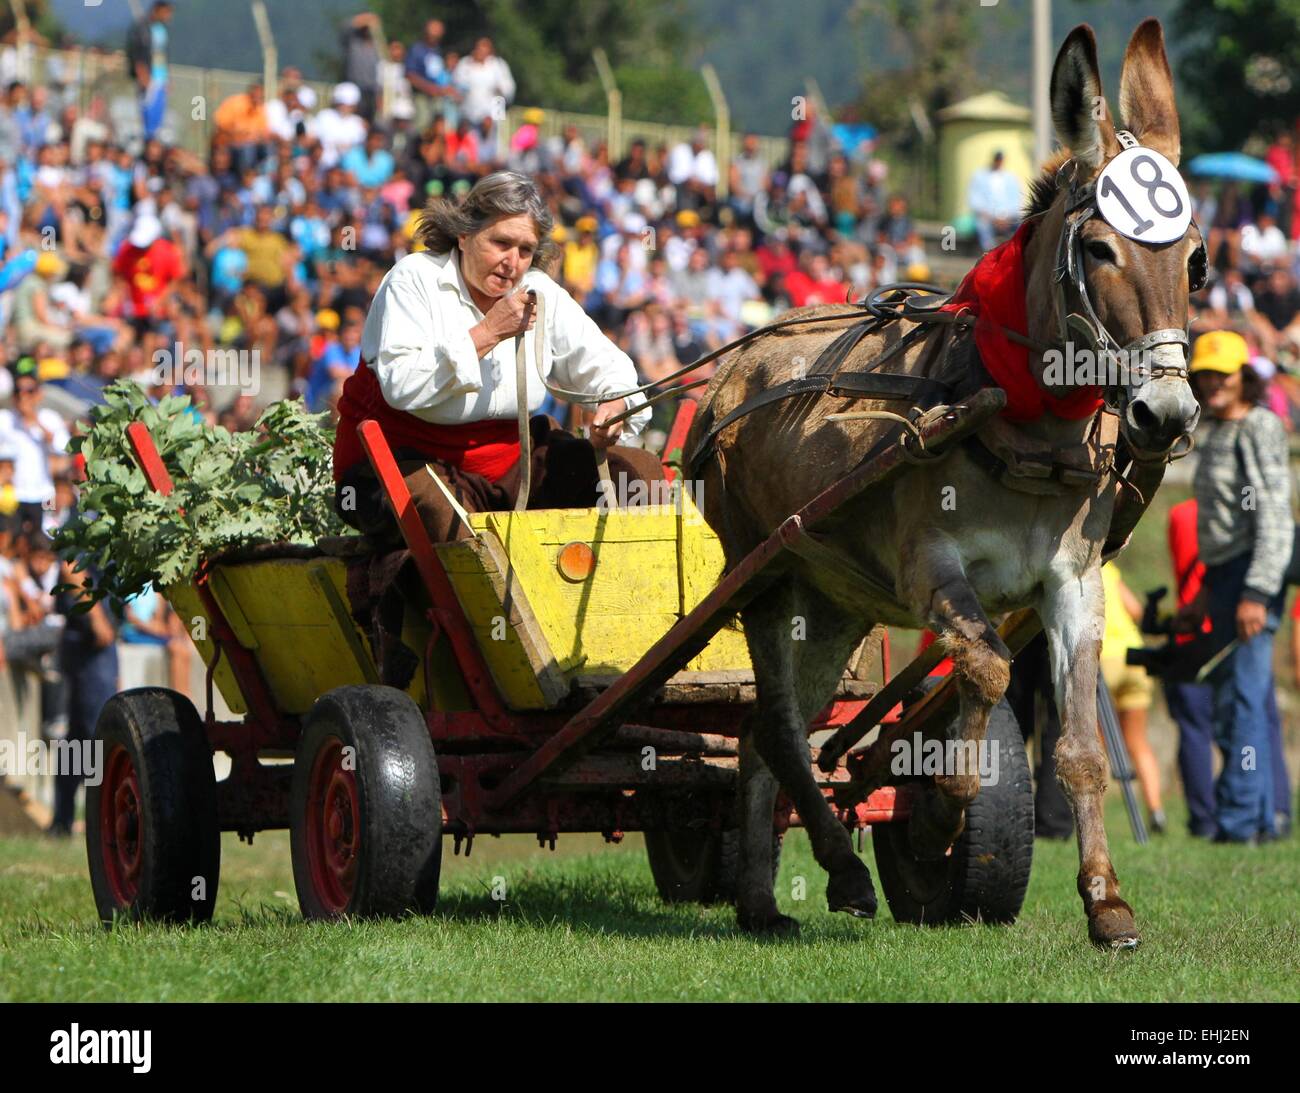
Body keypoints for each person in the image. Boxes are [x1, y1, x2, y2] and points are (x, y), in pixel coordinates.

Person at [333, 171, 665, 545]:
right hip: (398, 465)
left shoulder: (538, 291)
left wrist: (614, 401)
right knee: (448, 523)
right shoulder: (413, 280)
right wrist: (489, 332)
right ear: (464, 235)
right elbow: (402, 385)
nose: (513, 262)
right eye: (501, 242)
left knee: (639, 474)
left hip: (507, 469)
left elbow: (606, 364)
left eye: (525, 250)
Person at [1177, 330, 1293, 844]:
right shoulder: (1219, 429)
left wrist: (1257, 593)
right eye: (1202, 374)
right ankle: (1265, 818)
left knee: (1241, 703)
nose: (1210, 383)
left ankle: (1240, 822)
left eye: (1221, 374)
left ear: (1243, 376)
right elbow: (1219, 524)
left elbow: (1275, 517)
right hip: (1225, 578)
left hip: (1251, 577)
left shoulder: (1259, 427)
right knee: (1240, 697)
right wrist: (1204, 592)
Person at [1100, 562, 1165, 833]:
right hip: (1135, 657)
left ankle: (1096, 821)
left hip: (1104, 659)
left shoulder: (1082, 568)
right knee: (1137, 741)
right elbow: (1137, 611)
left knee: (1096, 746)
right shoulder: (1111, 569)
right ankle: (1156, 810)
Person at [125, 1, 172, 142]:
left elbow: (163, 54)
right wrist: (142, 74)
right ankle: (147, 143)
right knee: (147, 114)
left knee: (159, 115)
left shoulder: (162, 29)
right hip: (148, 77)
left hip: (161, 77)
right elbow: (136, 51)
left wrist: (168, 78)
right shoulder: (141, 28)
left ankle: (155, 142)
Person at [968, 150, 1021, 252]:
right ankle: (988, 251)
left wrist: (1006, 218)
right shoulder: (980, 176)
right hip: (988, 217)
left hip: (1008, 217)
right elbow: (975, 200)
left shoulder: (1011, 178)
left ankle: (1016, 249)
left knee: (1022, 225)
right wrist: (992, 217)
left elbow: (1017, 200)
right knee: (982, 225)